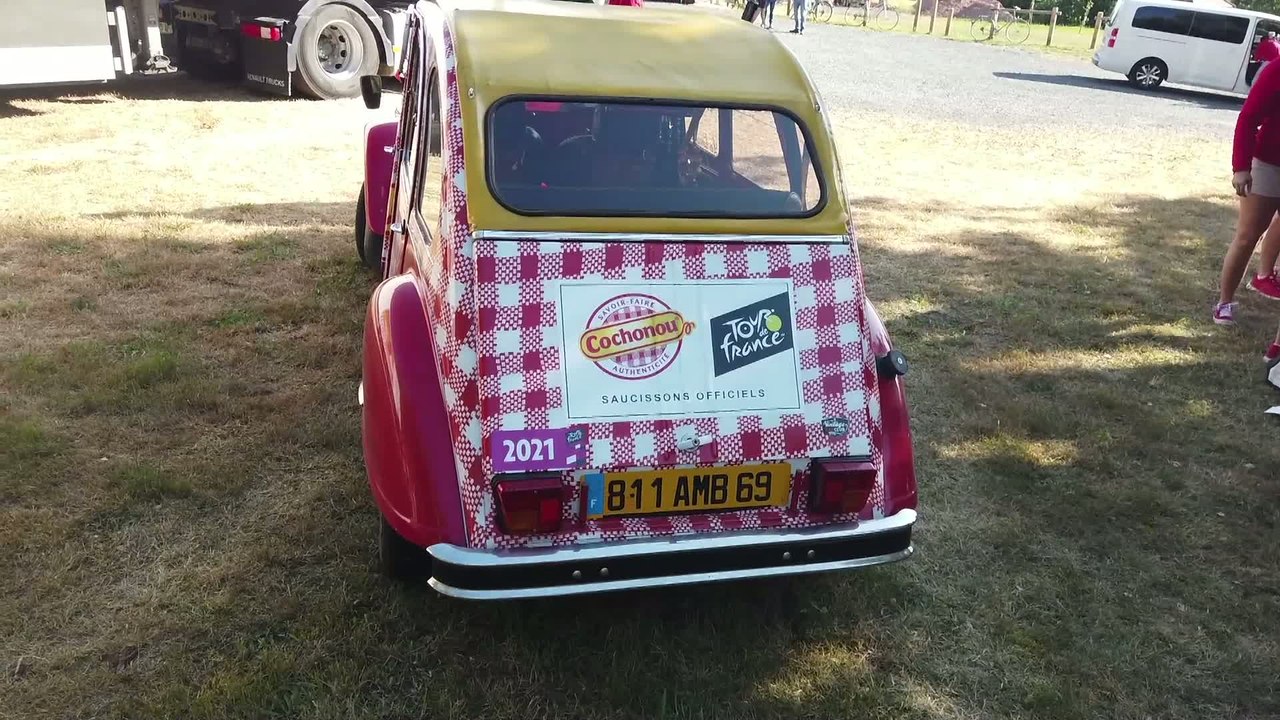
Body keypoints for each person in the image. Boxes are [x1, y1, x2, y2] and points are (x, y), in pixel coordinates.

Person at [1214, 60, 1280, 325]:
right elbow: (1249, 116)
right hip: (1269, 162)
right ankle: (1224, 302)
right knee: (1248, 235)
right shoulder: (1278, 69)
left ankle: (1264, 276)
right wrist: (1241, 166)